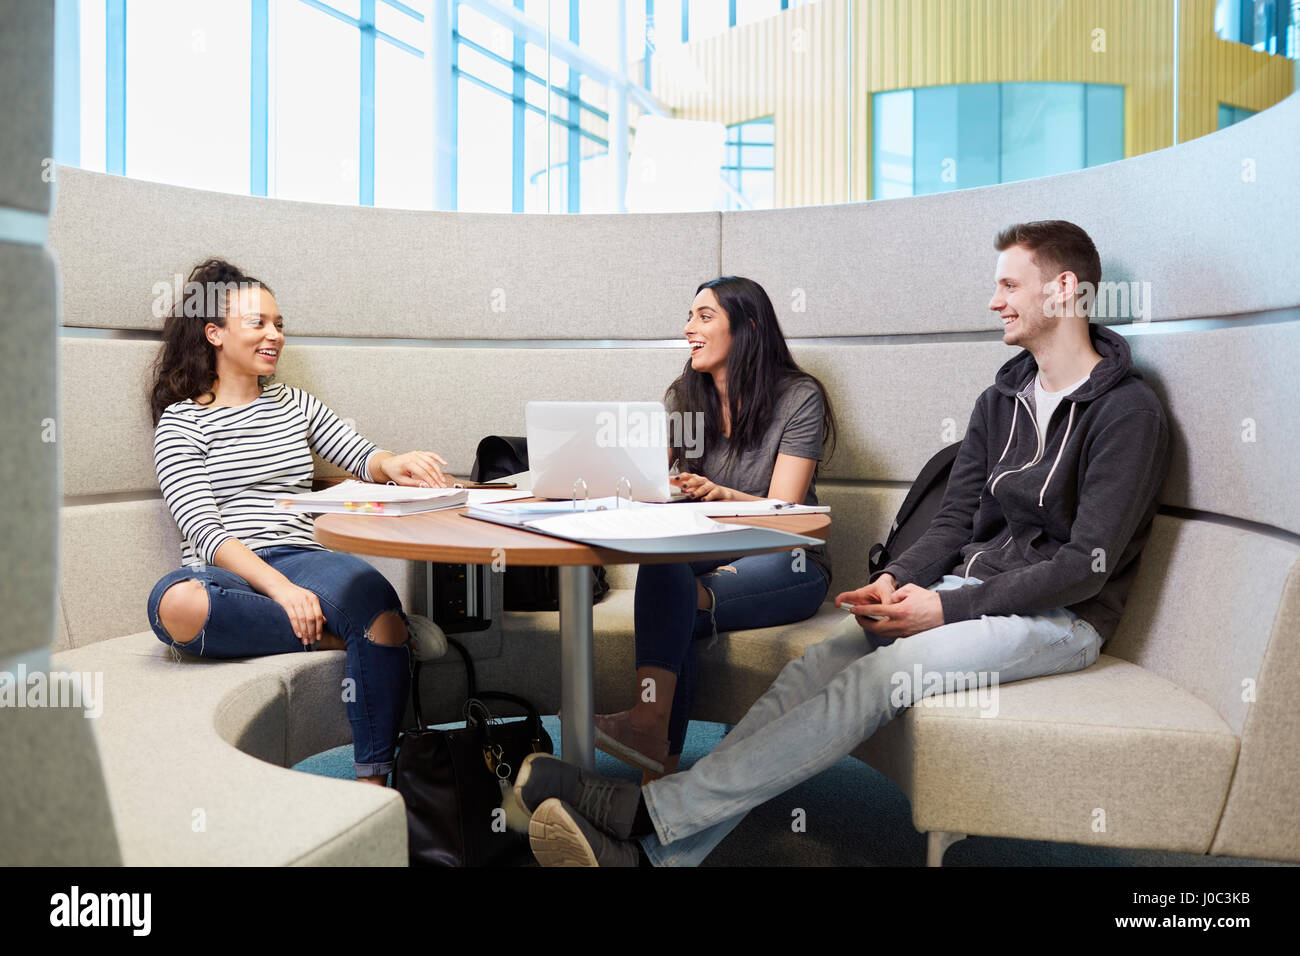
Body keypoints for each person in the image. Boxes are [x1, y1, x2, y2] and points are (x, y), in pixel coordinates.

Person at [514, 219, 1172, 865]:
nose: (993, 301)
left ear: (1062, 291)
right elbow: (950, 524)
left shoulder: (1127, 410)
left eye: (1008, 285)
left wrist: (942, 609)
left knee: (883, 673)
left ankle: (648, 813)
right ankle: (659, 858)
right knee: (812, 667)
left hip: (1060, 619)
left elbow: (1086, 566)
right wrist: (898, 579)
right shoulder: (997, 401)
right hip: (967, 592)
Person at [145, 257, 451, 785]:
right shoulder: (182, 421)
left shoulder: (294, 404)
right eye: (257, 323)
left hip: (303, 557)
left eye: (279, 324)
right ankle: (340, 637)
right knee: (175, 605)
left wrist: (392, 464)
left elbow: (358, 455)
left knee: (378, 610)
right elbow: (204, 530)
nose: (274, 336)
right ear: (214, 333)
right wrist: (283, 591)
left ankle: (374, 785)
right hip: (226, 570)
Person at [593, 276, 837, 781]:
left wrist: (724, 494)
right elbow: (643, 478)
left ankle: (651, 756)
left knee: (672, 604)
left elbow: (787, 512)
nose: (688, 329)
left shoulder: (799, 397)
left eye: (704, 317)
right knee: (664, 568)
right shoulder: (686, 396)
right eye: (689, 317)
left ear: (748, 328)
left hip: (786, 557)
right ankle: (653, 752)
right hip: (708, 550)